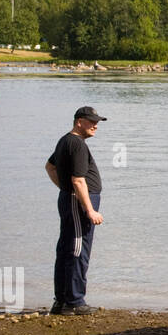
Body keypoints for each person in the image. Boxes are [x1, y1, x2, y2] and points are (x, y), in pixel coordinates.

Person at [45, 106, 107, 314]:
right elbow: (78, 180)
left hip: (70, 199)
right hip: (78, 202)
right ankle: (75, 301)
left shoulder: (65, 141)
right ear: (79, 122)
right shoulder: (77, 144)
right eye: (91, 121)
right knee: (78, 250)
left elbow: (50, 167)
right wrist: (89, 209)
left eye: (97, 122)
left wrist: (65, 189)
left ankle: (61, 301)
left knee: (65, 249)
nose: (95, 126)